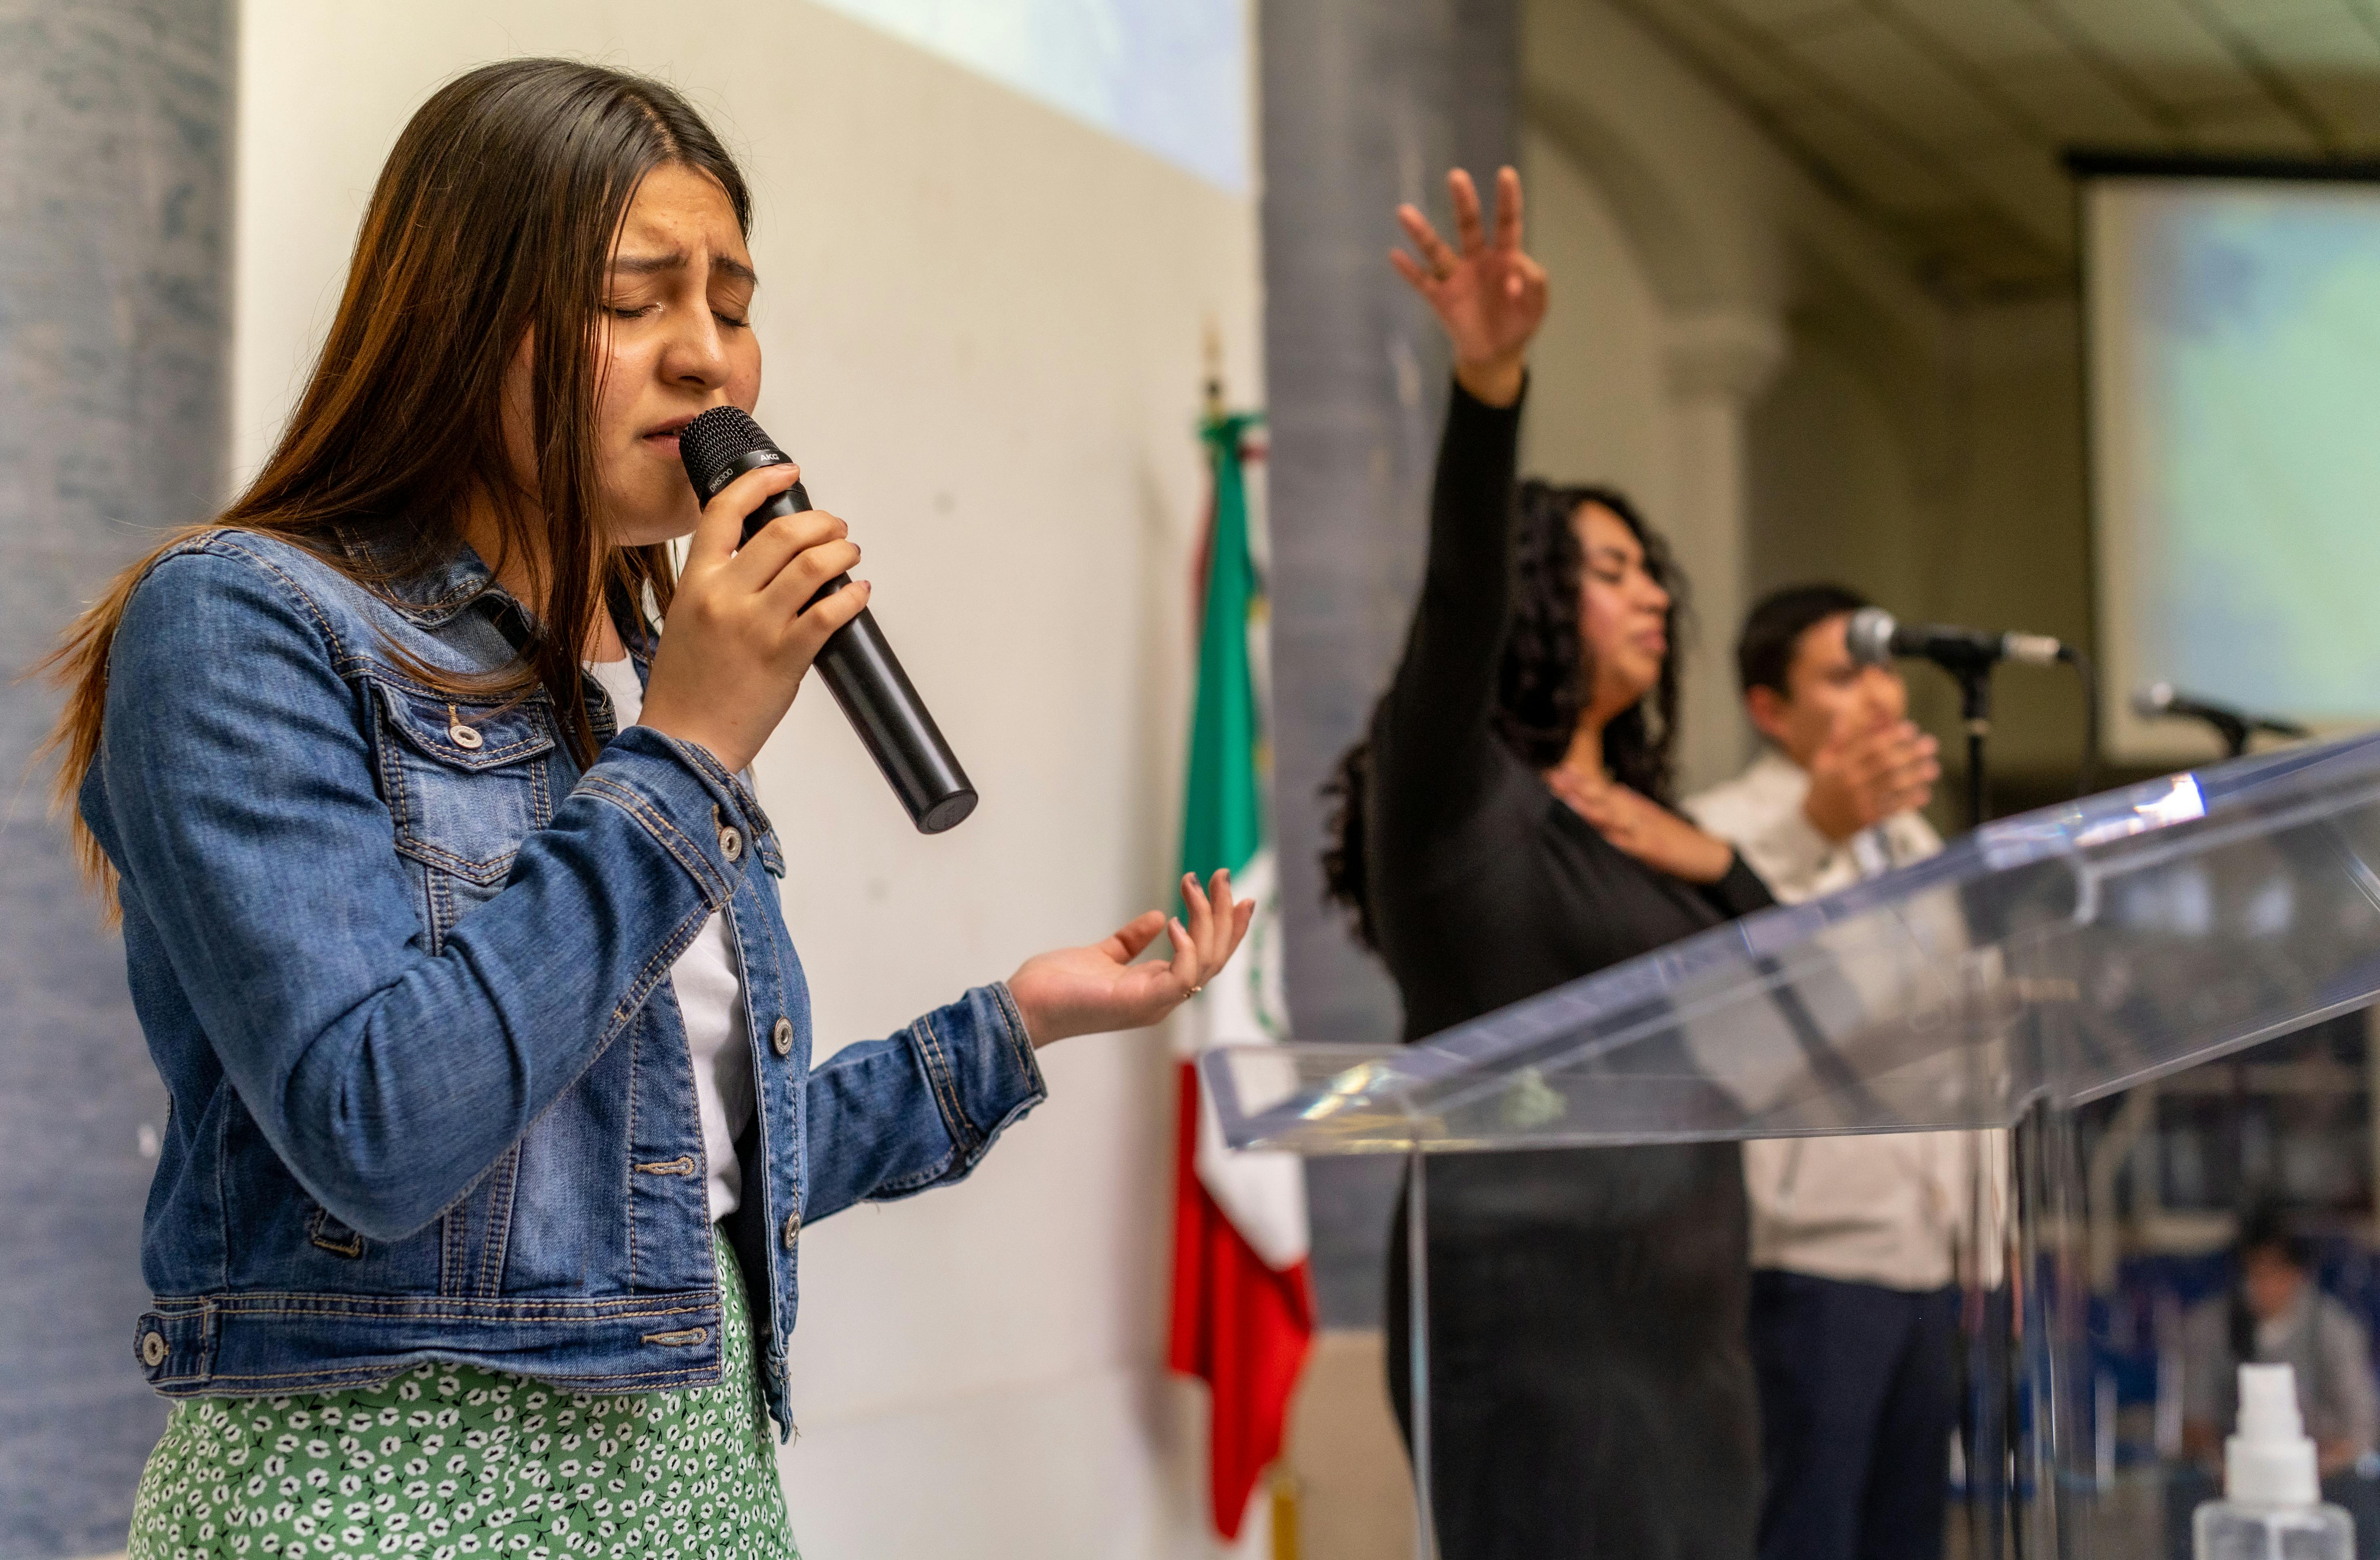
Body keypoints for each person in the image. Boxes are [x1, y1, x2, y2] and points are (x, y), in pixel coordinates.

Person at [45, 61, 1252, 1559]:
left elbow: (669, 1157)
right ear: (461, 313)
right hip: (389, 1505)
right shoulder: (243, 622)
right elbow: (379, 1123)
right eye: (640, 298)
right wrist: (688, 754)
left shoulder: (616, 693)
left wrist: (1013, 1024)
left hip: (690, 1492)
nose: (710, 362)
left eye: (734, 301)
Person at [1322, 165, 1775, 1558]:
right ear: (1538, 593)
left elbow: (1793, 1001)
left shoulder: (1647, 827)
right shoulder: (1458, 799)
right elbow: (1455, 592)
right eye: (1612, 566)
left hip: (1693, 1331)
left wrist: (1718, 857)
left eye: (1654, 571)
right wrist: (1489, 383)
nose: (1651, 591)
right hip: (1524, 1322)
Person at [1684, 583, 1996, 1560]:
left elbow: (1965, 1041)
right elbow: (1779, 1029)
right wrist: (1818, 834)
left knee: (1906, 1532)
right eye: (1838, 674)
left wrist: (1987, 1231)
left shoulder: (1910, 835)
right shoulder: (1722, 830)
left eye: (1879, 667)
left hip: (1928, 1240)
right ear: (1767, 709)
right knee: (1807, 1528)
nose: (1874, 694)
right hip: (1809, 1253)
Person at [2182, 1207, 2380, 1477]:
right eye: (2255, 1269)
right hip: (2232, 1479)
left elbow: (2360, 1425)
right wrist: (2231, 1467)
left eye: (2276, 1270)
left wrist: (2305, 1469)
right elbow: (2195, 1422)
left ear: (2297, 1274)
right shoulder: (2207, 1326)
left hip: (2322, 1478)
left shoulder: (2335, 1329)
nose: (2264, 1283)